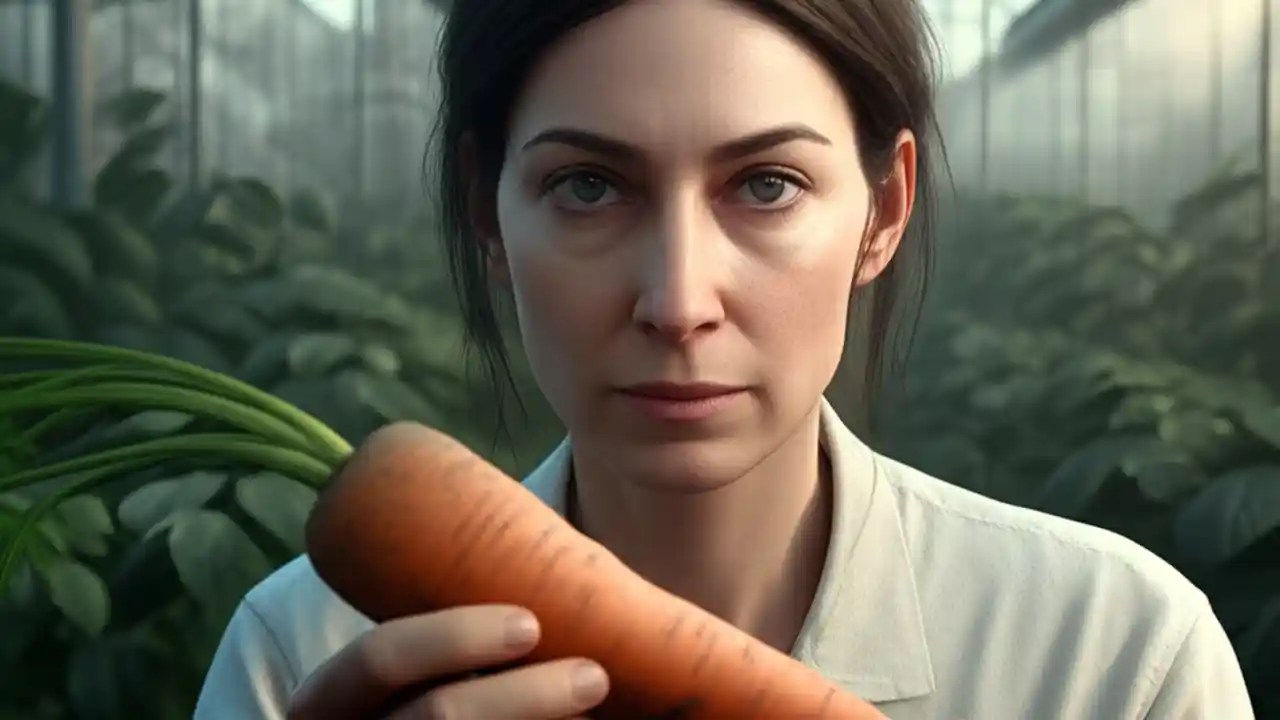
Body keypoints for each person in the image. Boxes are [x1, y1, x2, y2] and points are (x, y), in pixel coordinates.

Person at [193, 0, 1256, 718]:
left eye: (765, 186)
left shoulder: (1113, 658)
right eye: (587, 187)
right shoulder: (305, 657)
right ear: (487, 212)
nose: (676, 302)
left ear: (881, 212)